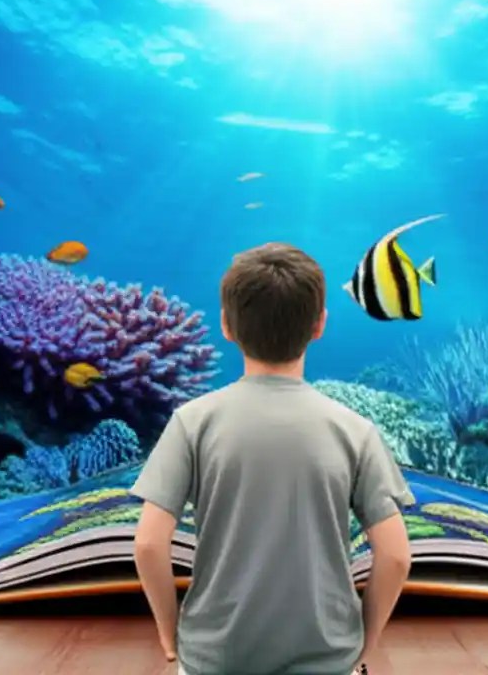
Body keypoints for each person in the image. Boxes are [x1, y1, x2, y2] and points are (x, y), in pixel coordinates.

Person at [131, 242, 415, 675]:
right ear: (320, 325)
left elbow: (149, 544)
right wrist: (365, 641)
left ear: (226, 325)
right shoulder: (355, 430)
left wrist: (171, 634)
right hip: (329, 661)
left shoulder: (192, 422)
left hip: (214, 660)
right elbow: (395, 556)